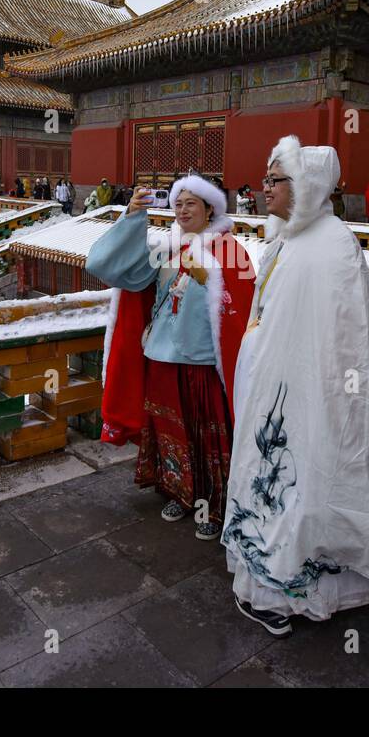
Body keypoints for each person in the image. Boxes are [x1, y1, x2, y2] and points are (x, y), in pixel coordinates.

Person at [223, 135, 369, 636]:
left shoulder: (332, 244)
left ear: (307, 185)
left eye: (275, 179)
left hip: (318, 393)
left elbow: (347, 341)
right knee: (279, 482)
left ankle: (287, 588)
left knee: (310, 481)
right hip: (274, 385)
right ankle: (280, 578)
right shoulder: (288, 237)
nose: (264, 187)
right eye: (266, 178)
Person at [88, 176, 255, 542]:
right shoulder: (164, 248)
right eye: (178, 203)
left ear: (210, 208)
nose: (182, 210)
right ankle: (179, 491)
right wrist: (132, 218)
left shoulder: (229, 250)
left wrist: (210, 278)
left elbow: (243, 307)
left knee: (206, 434)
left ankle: (214, 503)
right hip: (162, 353)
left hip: (203, 361)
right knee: (169, 431)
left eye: (192, 203)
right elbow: (103, 265)